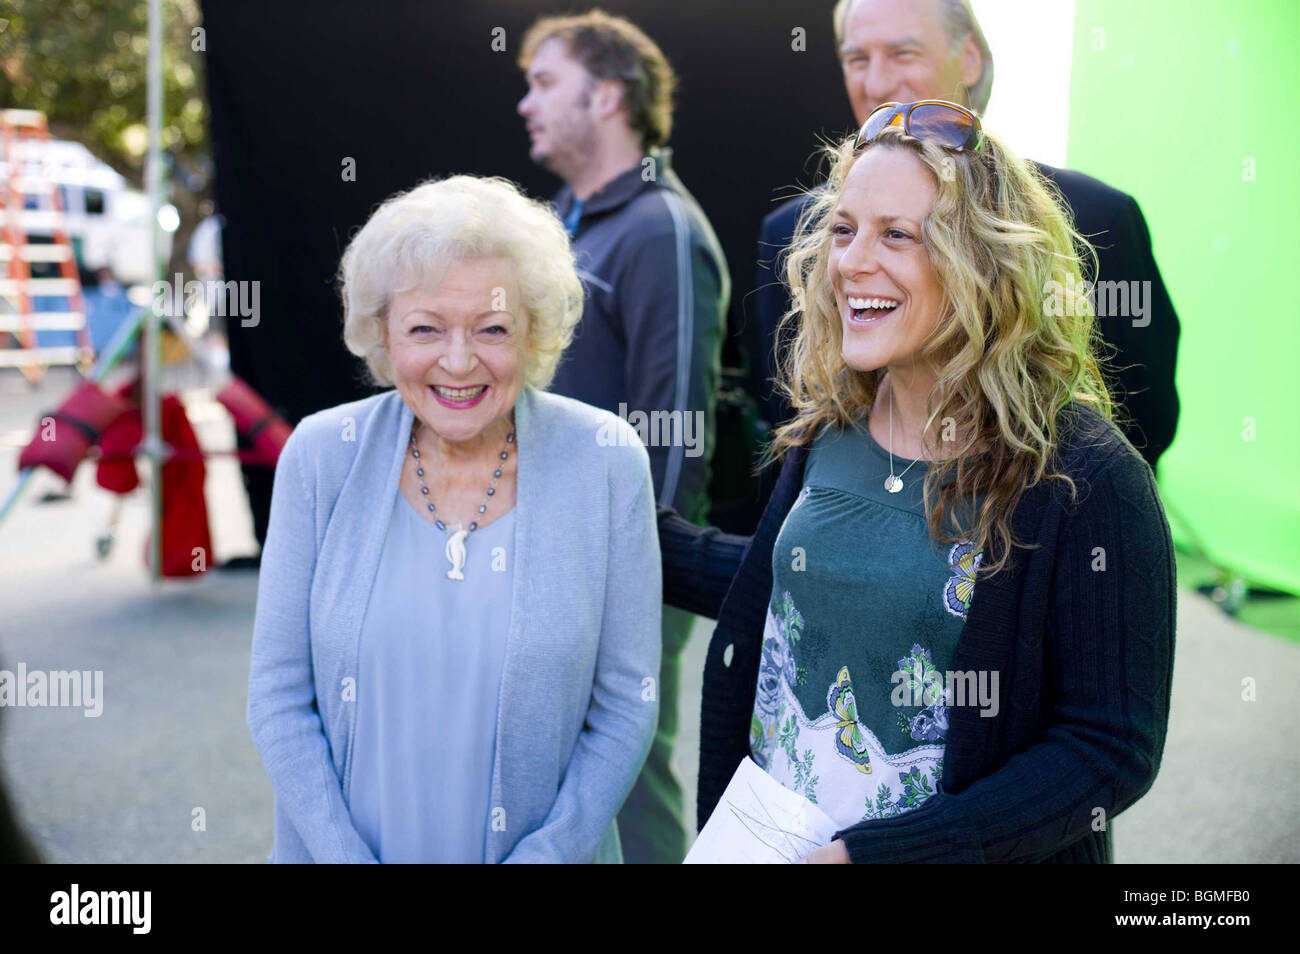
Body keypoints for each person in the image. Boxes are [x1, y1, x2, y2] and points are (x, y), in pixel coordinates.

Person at [664, 102, 1175, 862]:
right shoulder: (829, 425)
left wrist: (876, 858)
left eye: (897, 235)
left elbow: (1108, 748)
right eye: (843, 231)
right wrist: (624, 522)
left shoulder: (1082, 475)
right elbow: (807, 585)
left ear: (983, 261)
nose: (851, 262)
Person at [246, 175, 661, 863]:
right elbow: (277, 697)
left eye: (492, 328)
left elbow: (626, 705)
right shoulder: (321, 457)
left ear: (532, 333)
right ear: (382, 333)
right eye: (426, 328)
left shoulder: (606, 461)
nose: (460, 361)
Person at [754, 0, 1179, 475]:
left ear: (971, 58)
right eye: (858, 59)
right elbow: (788, 426)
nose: (874, 84)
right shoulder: (793, 234)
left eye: (903, 53)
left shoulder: (1097, 218)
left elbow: (1144, 421)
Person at [517, 9, 729, 864]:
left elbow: (677, 427)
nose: (525, 105)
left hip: (625, 571)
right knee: (555, 778)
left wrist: (637, 578)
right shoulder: (562, 219)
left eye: (543, 83)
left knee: (627, 785)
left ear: (607, 95)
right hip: (546, 553)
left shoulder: (662, 229)